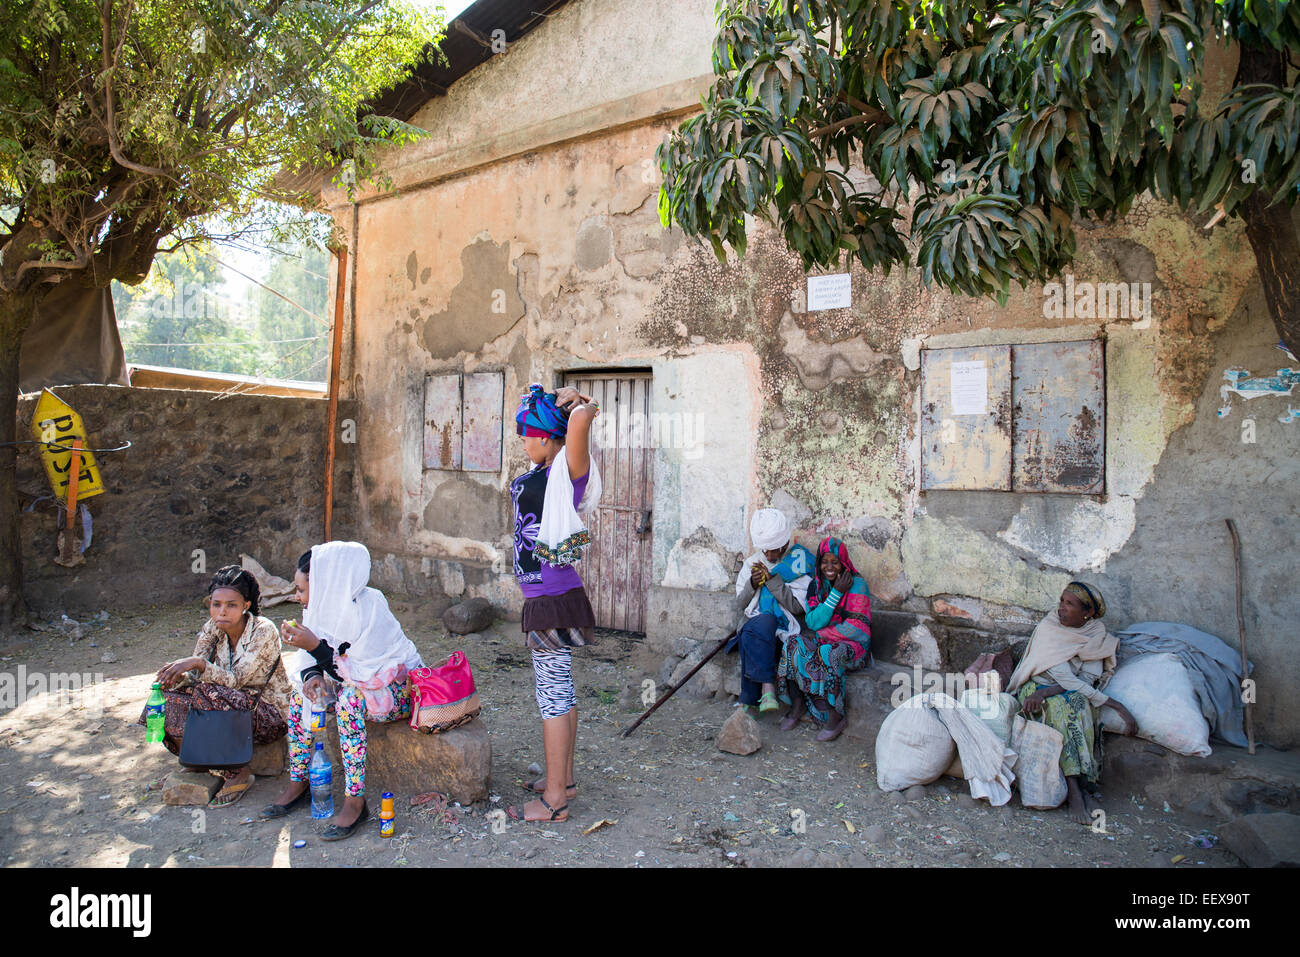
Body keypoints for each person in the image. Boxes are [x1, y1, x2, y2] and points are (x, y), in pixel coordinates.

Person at [260, 542, 423, 840]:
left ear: (324, 585)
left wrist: (313, 646)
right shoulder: (321, 610)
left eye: (301, 589)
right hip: (355, 683)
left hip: (397, 690)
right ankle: (299, 781)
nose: (297, 597)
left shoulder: (369, 606)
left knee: (349, 700)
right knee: (301, 696)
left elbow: (361, 675)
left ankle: (355, 801)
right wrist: (312, 677)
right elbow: (313, 663)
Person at [505, 383, 600, 824]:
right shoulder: (547, 468)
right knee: (559, 689)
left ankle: (555, 799)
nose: (523, 442)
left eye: (526, 433)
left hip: (552, 595)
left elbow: (582, 419)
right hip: (545, 595)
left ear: (545, 436)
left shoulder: (568, 467)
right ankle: (564, 779)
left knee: (552, 695)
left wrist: (577, 399)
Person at [151, 565, 291, 808]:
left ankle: (238, 771)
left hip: (268, 713)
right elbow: (195, 677)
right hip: (229, 706)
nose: (222, 612)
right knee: (170, 693)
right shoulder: (213, 627)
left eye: (231, 605)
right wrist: (176, 677)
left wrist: (197, 664)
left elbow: (235, 679)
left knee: (209, 692)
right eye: (216, 604)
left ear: (246, 605)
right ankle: (195, 762)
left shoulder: (263, 630)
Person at [1008, 582, 1138, 825]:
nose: (1062, 608)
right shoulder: (1051, 627)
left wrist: (1052, 693)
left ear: (1087, 613)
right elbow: (1064, 676)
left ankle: (1084, 784)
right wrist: (1116, 706)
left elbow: (1087, 680)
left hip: (1062, 692)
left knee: (1077, 704)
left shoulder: (1096, 635)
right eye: (1061, 601)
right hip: (1035, 687)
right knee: (1060, 707)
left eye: (1070, 604)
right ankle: (1075, 791)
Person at [779, 537, 871, 742]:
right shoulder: (816, 585)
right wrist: (835, 593)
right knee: (792, 644)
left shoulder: (857, 584)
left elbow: (856, 629)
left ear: (843, 563)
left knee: (827, 652)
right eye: (824, 561)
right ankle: (798, 703)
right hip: (827, 639)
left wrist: (822, 635)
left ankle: (835, 716)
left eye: (835, 562)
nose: (829, 567)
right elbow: (812, 622)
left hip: (854, 647)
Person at [728, 508, 815, 714]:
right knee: (758, 626)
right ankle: (766, 691)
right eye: (766, 550)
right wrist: (753, 584)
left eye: (775, 549)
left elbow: (796, 608)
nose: (770, 555)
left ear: (785, 542)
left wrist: (773, 581)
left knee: (754, 631)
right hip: (758, 627)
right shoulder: (752, 564)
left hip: (784, 630)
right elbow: (741, 604)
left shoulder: (798, 562)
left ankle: (749, 699)